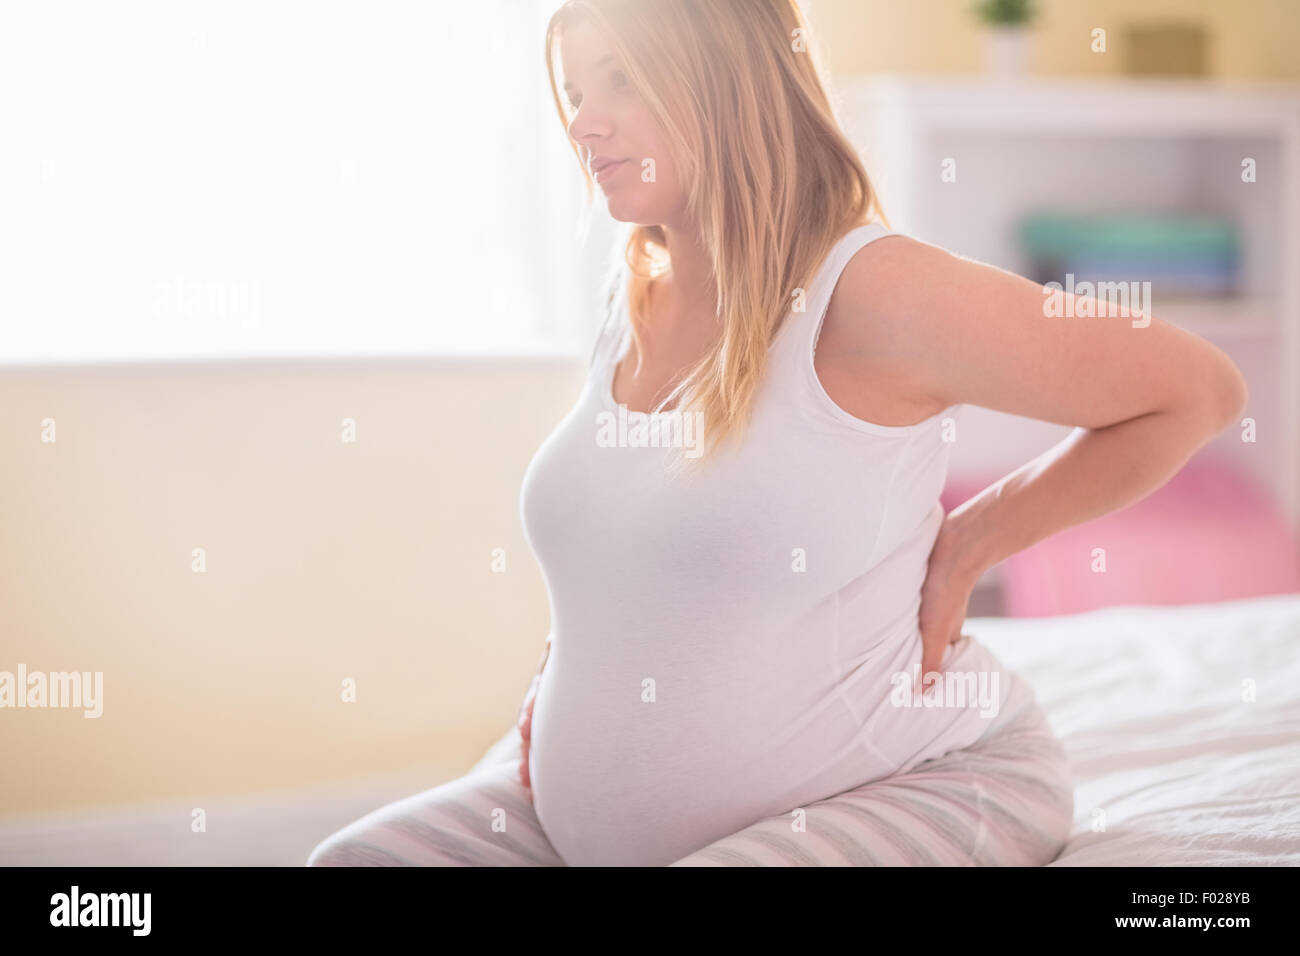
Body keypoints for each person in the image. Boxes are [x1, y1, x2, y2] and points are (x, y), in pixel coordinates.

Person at [307, 0, 1246, 867]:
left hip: (933, 781)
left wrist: (973, 543)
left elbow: (1196, 391)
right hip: (561, 811)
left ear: (727, 72)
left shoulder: (873, 292)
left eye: (621, 77)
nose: (584, 120)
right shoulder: (632, 288)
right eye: (576, 89)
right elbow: (641, 550)